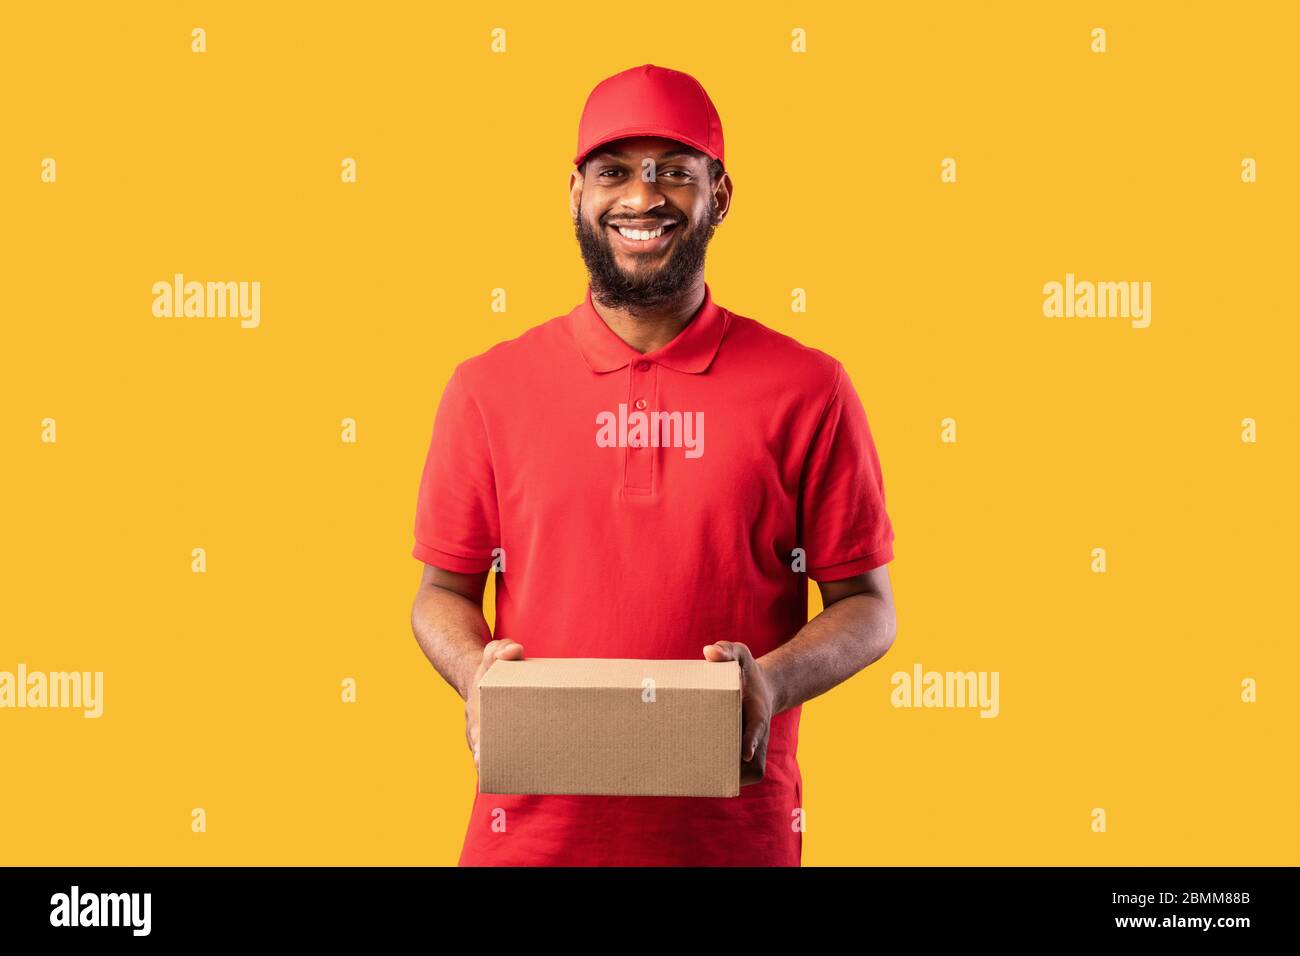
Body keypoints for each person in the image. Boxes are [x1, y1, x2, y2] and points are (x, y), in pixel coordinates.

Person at [410, 63, 898, 866]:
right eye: (614, 173)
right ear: (575, 193)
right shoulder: (487, 387)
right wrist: (474, 671)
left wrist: (768, 684)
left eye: (674, 171)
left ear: (721, 194)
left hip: (730, 835)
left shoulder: (809, 386)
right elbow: (440, 592)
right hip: (527, 841)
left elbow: (869, 607)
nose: (642, 198)